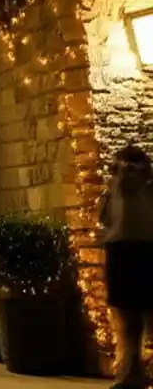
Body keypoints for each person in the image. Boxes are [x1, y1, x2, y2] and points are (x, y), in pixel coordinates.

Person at [100, 145, 153, 389]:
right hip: (133, 251)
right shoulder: (132, 187)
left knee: (128, 320)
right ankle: (133, 371)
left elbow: (105, 219)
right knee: (133, 320)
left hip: (127, 251)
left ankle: (132, 371)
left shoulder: (116, 187)